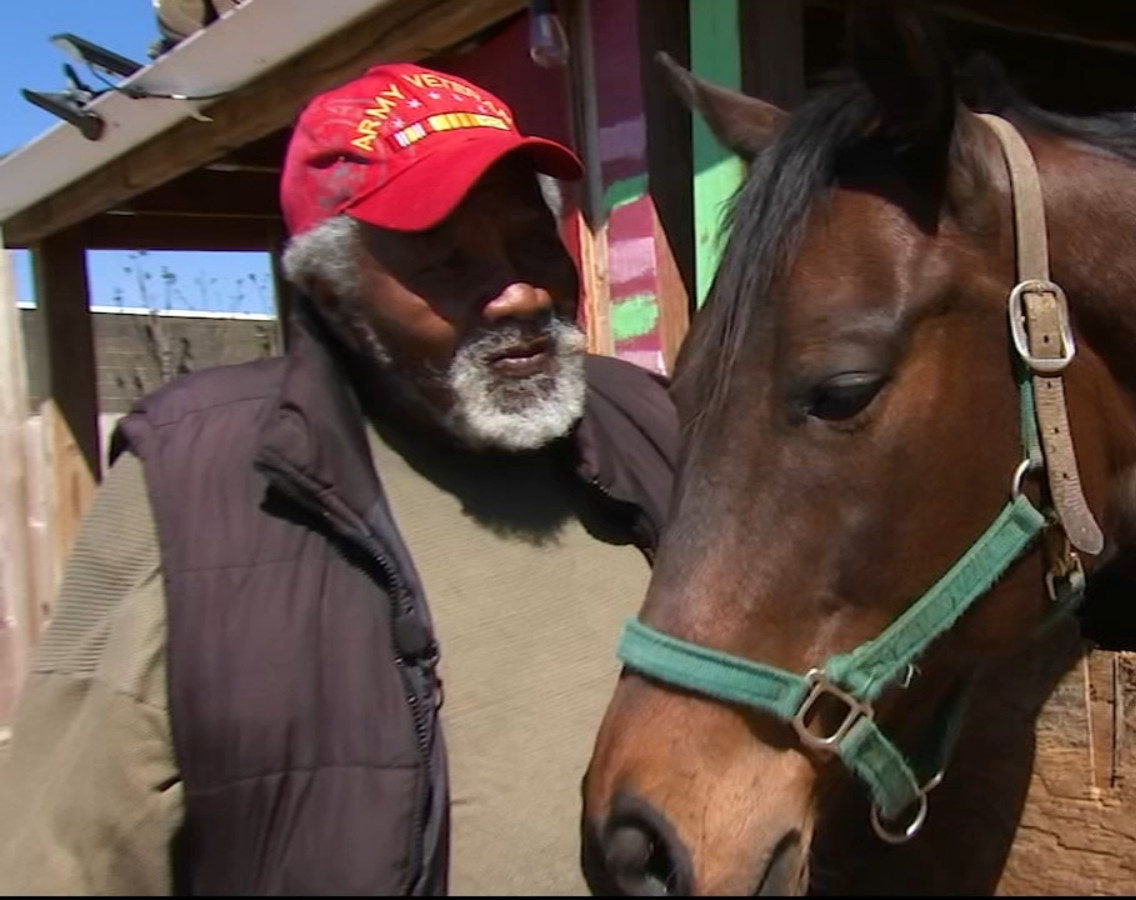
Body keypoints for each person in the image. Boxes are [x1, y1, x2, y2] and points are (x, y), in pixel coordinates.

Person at [0, 62, 677, 895]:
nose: (517, 291)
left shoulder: (647, 420)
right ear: (331, 284)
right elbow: (70, 857)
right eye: (444, 259)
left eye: (531, 239)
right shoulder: (200, 482)